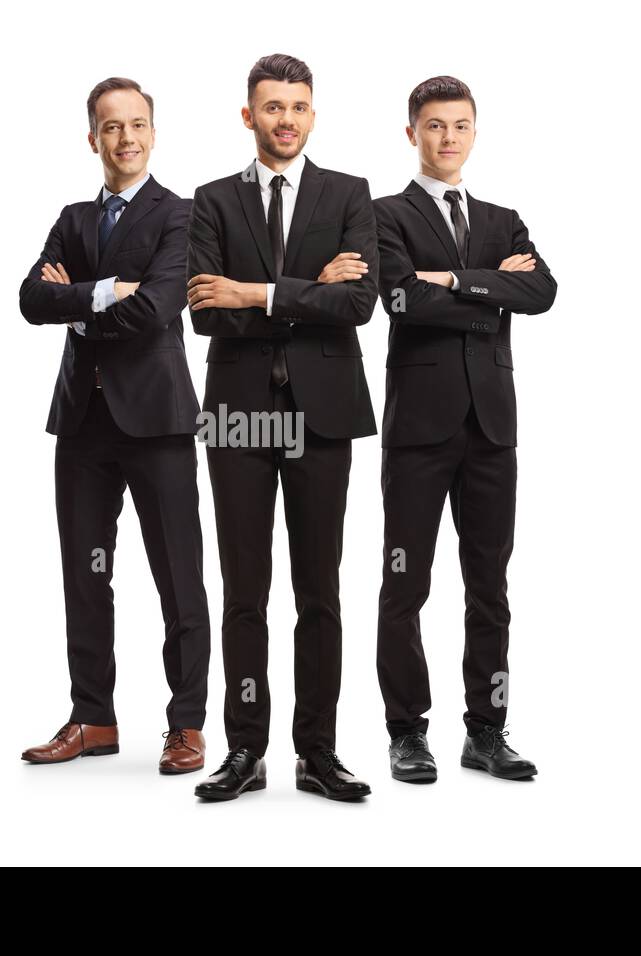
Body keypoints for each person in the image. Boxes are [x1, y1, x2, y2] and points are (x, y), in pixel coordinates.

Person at [186, 54, 378, 801]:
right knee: (243, 588)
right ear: (248, 116)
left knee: (319, 589)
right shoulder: (212, 200)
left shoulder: (348, 195)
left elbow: (358, 304)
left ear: (313, 114)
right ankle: (244, 749)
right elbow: (204, 311)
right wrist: (305, 292)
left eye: (298, 106)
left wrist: (255, 291)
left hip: (322, 412)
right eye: (272, 107)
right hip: (237, 413)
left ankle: (318, 751)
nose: (286, 120)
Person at [18, 77, 211, 776]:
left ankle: (186, 724)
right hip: (82, 421)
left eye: (136, 125)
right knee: (85, 573)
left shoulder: (181, 216)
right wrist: (101, 293)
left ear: (152, 134)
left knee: (177, 576)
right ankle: (92, 716)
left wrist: (74, 302)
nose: (125, 138)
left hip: (155, 420)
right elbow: (29, 298)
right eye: (110, 127)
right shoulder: (73, 218)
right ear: (92, 138)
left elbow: (158, 306)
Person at [373, 75, 557, 783]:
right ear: (412, 132)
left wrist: (449, 279)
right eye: (435, 125)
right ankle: (405, 731)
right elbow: (398, 299)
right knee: (405, 584)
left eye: (460, 125)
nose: (448, 138)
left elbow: (540, 290)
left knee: (490, 585)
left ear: (475, 132)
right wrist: (486, 286)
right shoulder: (384, 214)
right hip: (418, 432)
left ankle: (487, 730)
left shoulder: (504, 218)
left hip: (491, 431)